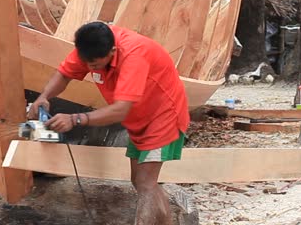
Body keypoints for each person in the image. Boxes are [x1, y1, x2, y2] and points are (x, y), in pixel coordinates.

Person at [28, 22, 189, 225]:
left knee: (145, 183)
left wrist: (75, 119)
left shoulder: (134, 56)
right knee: (140, 182)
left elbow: (120, 110)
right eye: (85, 63)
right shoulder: (90, 46)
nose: (88, 68)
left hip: (163, 116)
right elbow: (65, 73)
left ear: (113, 51)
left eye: (94, 65)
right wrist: (44, 96)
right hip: (140, 117)